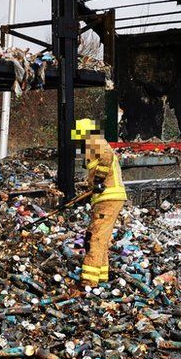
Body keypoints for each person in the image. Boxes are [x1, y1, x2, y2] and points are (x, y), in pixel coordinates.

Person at [70, 118, 127, 287]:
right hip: (108, 198)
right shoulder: (95, 145)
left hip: (108, 198)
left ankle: (89, 280)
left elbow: (106, 159)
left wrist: (99, 181)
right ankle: (101, 275)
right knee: (101, 238)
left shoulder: (95, 142)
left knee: (94, 237)